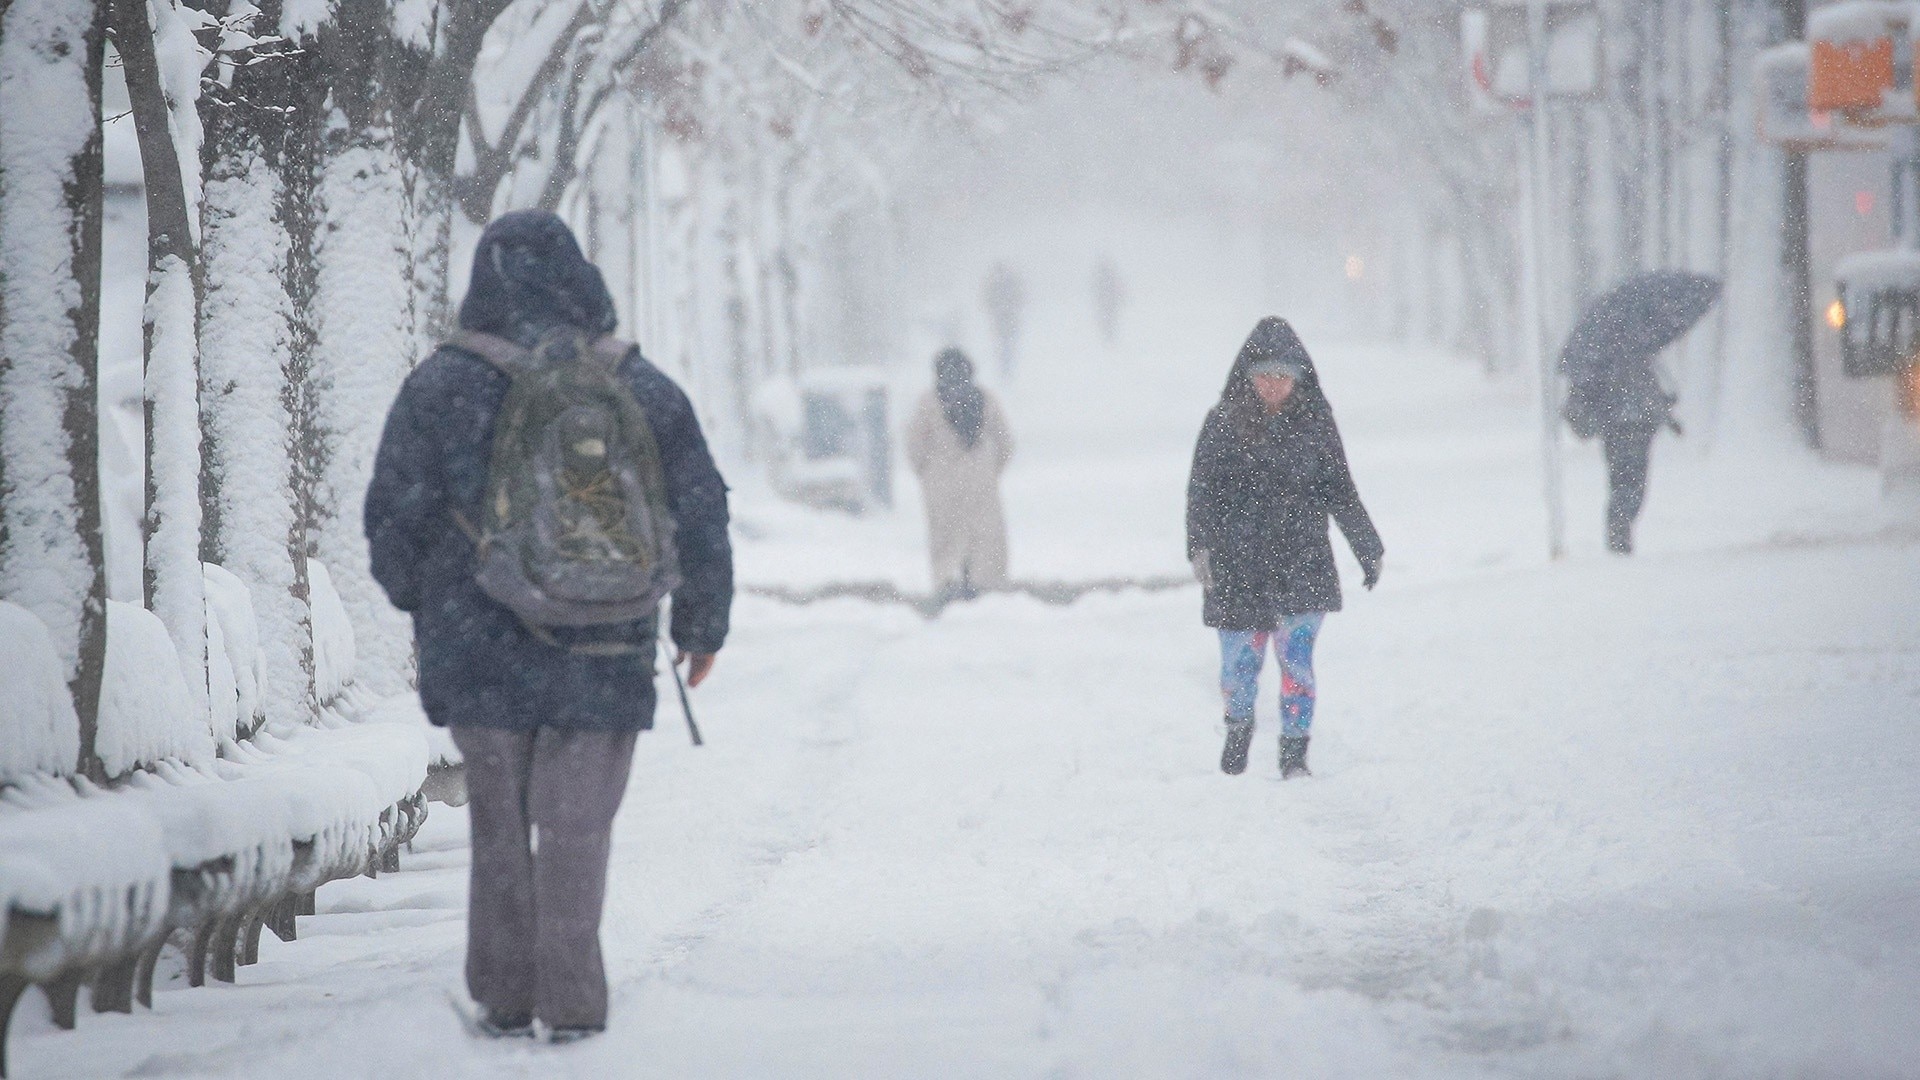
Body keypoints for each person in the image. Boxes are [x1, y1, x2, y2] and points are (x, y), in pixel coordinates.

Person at [363, 210, 732, 1042]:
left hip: (480, 646)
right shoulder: (637, 384)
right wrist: (701, 625)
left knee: (499, 824)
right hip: (607, 644)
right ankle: (571, 1001)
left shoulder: (441, 387)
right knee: (577, 829)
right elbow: (701, 506)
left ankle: (503, 995)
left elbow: (392, 515)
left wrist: (429, 604)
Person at [1185, 317, 1382, 778]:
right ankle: (1239, 723)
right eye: (1264, 376)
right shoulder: (1221, 425)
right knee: (1239, 664)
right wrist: (1200, 548)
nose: (1273, 386)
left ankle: (1295, 752)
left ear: (1298, 377)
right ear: (1247, 377)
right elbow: (1201, 493)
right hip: (1238, 566)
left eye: (1282, 376)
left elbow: (1340, 489)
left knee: (1297, 665)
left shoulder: (1316, 425)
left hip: (1301, 562)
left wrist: (1366, 546)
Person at [906, 347, 1014, 600]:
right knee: (983, 537)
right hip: (980, 481)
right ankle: (983, 585)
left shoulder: (929, 402)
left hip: (941, 482)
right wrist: (991, 470)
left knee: (947, 538)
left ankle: (949, 583)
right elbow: (1005, 442)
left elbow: (914, 446)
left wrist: (927, 473)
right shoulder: (985, 399)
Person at [1594, 355, 1679, 555]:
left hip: (1615, 430)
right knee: (1634, 482)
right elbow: (1657, 396)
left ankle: (1618, 524)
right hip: (1638, 430)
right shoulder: (1643, 362)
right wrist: (1667, 418)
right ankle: (1622, 522)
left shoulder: (1604, 363)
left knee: (1618, 480)